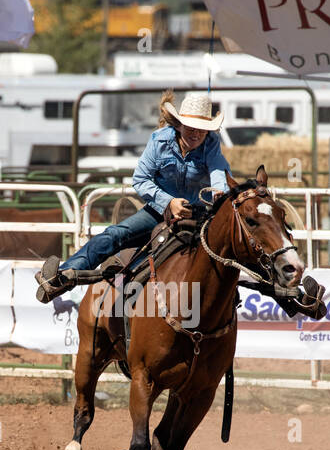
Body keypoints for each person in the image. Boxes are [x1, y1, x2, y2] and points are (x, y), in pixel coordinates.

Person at [35, 90, 232, 303]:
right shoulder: (159, 141)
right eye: (191, 128)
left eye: (202, 131)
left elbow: (218, 174)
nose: (196, 135)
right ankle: (61, 277)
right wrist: (169, 202)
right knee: (116, 234)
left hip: (197, 213)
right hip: (159, 210)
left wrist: (219, 194)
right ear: (179, 124)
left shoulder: (211, 143)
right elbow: (140, 180)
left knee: (231, 243)